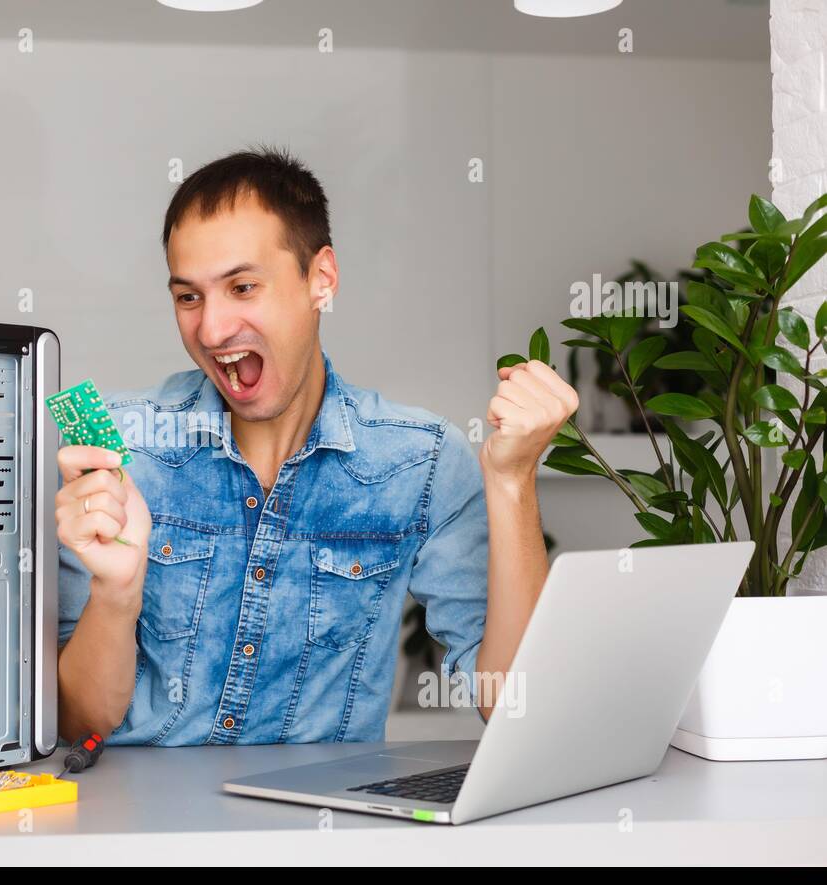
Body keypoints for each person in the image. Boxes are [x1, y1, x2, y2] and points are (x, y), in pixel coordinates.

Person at [55, 147, 577, 745]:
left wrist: (513, 483)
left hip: (325, 830)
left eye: (243, 286)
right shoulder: (119, 452)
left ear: (320, 280)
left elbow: (511, 705)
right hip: (137, 826)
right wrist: (117, 592)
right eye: (189, 297)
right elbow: (76, 724)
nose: (212, 329)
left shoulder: (421, 461)